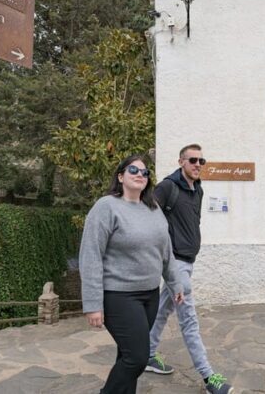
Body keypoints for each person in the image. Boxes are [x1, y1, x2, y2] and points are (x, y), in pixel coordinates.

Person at [79, 155, 185, 394]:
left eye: (145, 172)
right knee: (137, 358)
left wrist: (175, 283)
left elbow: (165, 250)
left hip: (149, 295)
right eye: (133, 170)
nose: (140, 175)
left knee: (126, 354)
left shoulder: (153, 208)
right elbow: (91, 255)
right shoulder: (106, 207)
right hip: (119, 296)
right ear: (120, 176)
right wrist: (93, 304)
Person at [145, 144, 233, 394]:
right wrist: (164, 258)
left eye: (201, 160)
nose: (197, 164)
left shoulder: (198, 189)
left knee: (162, 310)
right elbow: (149, 219)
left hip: (188, 260)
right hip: (175, 265)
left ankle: (148, 355)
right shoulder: (167, 187)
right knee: (189, 320)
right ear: (181, 161)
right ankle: (209, 378)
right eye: (192, 160)